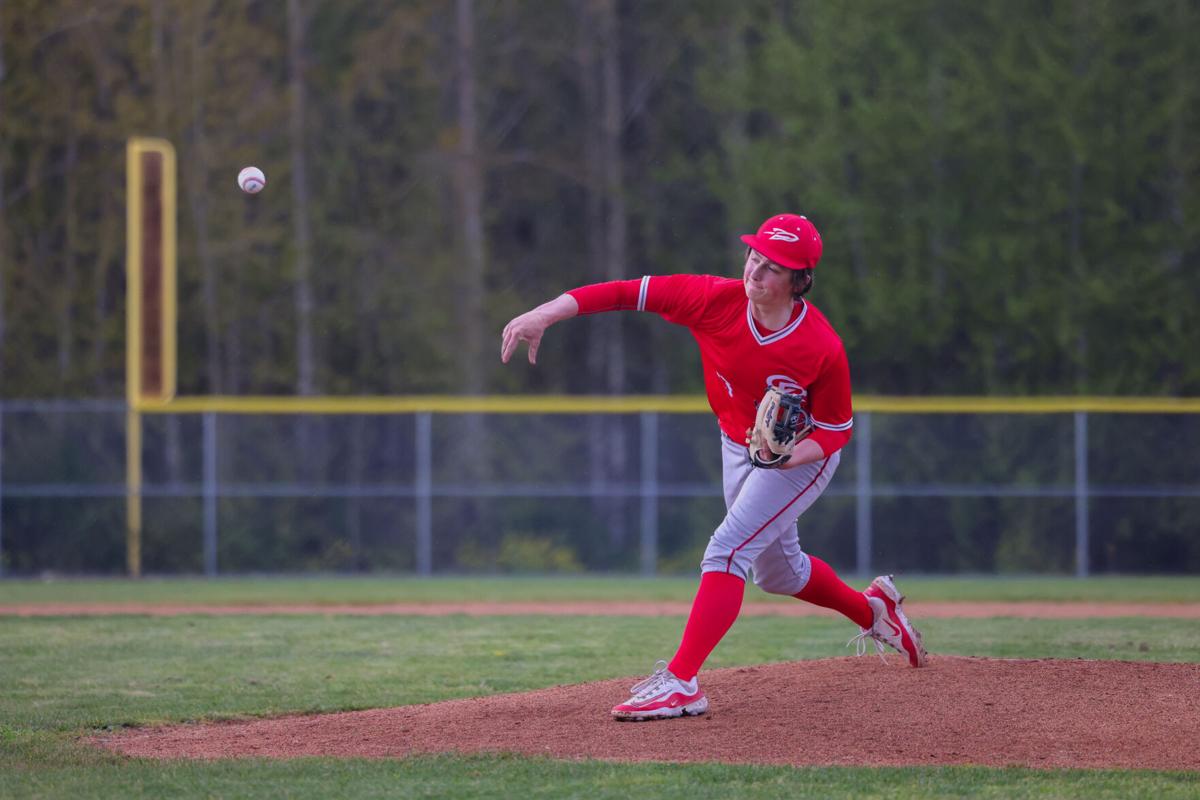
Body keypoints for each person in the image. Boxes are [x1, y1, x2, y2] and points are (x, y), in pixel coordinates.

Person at [500, 213, 927, 721]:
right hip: (737, 444)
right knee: (780, 573)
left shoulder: (820, 346)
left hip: (802, 459)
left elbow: (836, 429)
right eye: (755, 257)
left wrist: (788, 456)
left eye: (774, 268)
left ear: (800, 281)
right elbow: (624, 292)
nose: (757, 272)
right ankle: (876, 610)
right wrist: (544, 314)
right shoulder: (711, 299)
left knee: (726, 552)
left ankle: (681, 682)